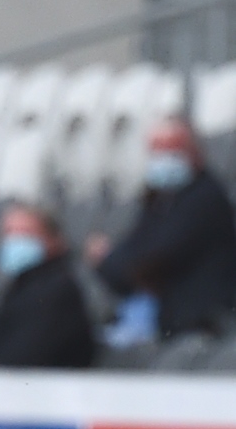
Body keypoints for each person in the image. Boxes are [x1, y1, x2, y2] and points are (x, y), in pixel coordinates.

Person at [89, 117, 236, 338]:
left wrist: (108, 260)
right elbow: (136, 247)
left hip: (200, 322)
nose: (163, 159)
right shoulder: (161, 201)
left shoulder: (204, 199)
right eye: (156, 150)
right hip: (172, 317)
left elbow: (155, 257)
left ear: (194, 152)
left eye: (171, 149)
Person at [0, 204, 96, 368]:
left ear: (53, 240)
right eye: (9, 233)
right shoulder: (21, 287)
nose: (14, 241)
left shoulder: (57, 291)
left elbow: (22, 354)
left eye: (25, 234)